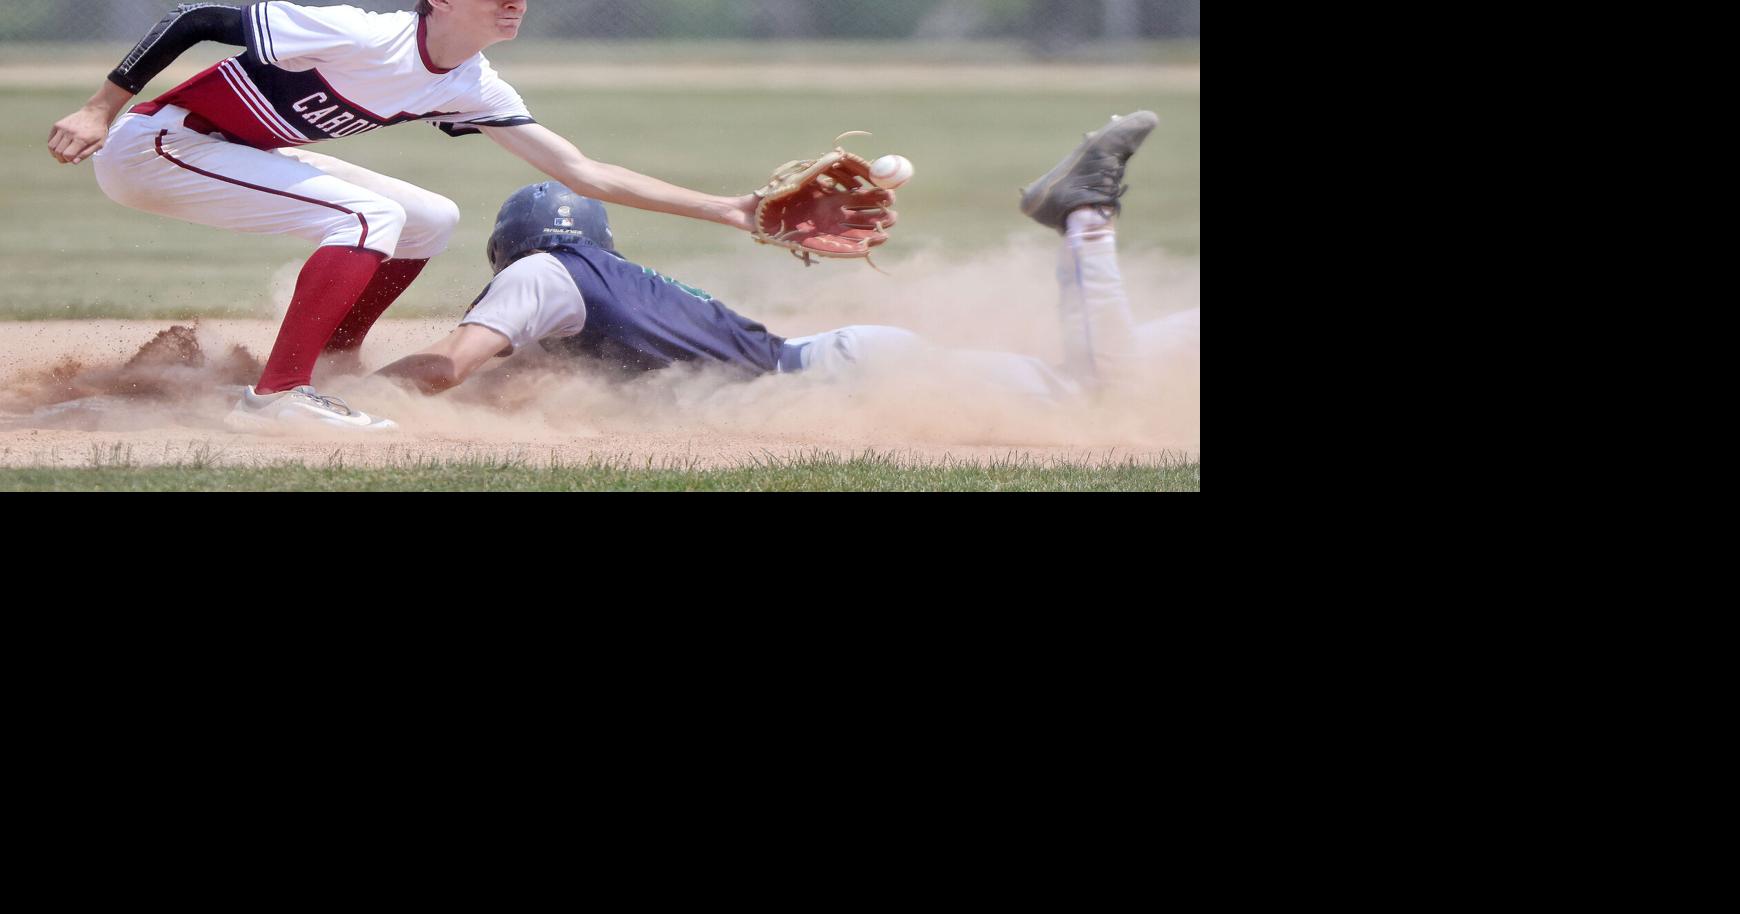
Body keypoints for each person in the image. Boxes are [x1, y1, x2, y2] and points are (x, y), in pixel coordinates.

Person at [46, 0, 779, 432]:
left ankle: (331, 365)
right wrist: (97, 109)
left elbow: (582, 172)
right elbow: (196, 16)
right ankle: (278, 394)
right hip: (158, 146)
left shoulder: (470, 82)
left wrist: (729, 209)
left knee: (428, 216)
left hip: (227, 150)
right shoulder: (368, 33)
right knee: (365, 216)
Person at [376, 110, 1197, 408]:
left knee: (1093, 390)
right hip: (844, 364)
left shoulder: (535, 275)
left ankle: (1084, 211)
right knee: (1084, 381)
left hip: (845, 378)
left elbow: (449, 369)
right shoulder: (598, 285)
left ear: (506, 250)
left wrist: (347, 390)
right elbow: (517, 385)